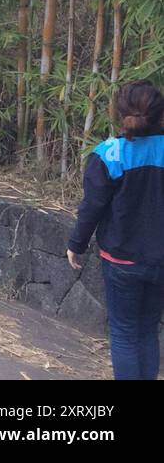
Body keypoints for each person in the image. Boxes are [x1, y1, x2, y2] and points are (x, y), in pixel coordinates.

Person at [67, 81, 164, 379]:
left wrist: (76, 243)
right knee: (148, 330)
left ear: (119, 112)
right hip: (160, 261)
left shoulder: (109, 154)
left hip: (122, 260)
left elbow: (92, 207)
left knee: (123, 333)